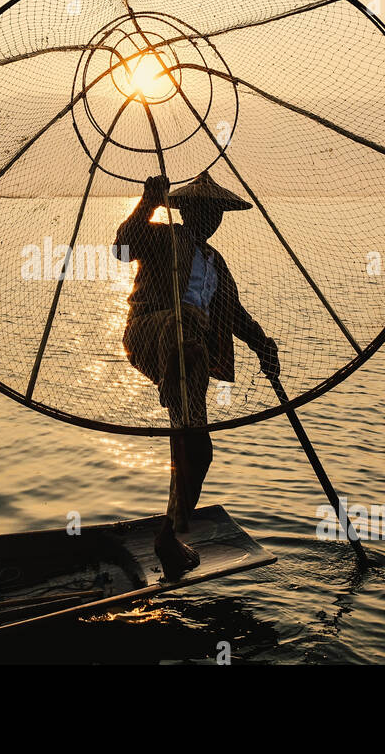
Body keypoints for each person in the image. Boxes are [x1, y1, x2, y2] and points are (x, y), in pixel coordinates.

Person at [115, 171, 279, 578]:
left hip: (190, 355)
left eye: (216, 212)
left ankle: (169, 532)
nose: (211, 219)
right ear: (186, 211)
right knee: (185, 323)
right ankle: (182, 412)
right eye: (203, 210)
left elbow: (233, 314)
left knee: (198, 450)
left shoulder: (214, 261)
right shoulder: (163, 236)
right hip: (152, 333)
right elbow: (121, 247)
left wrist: (263, 346)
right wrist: (149, 199)